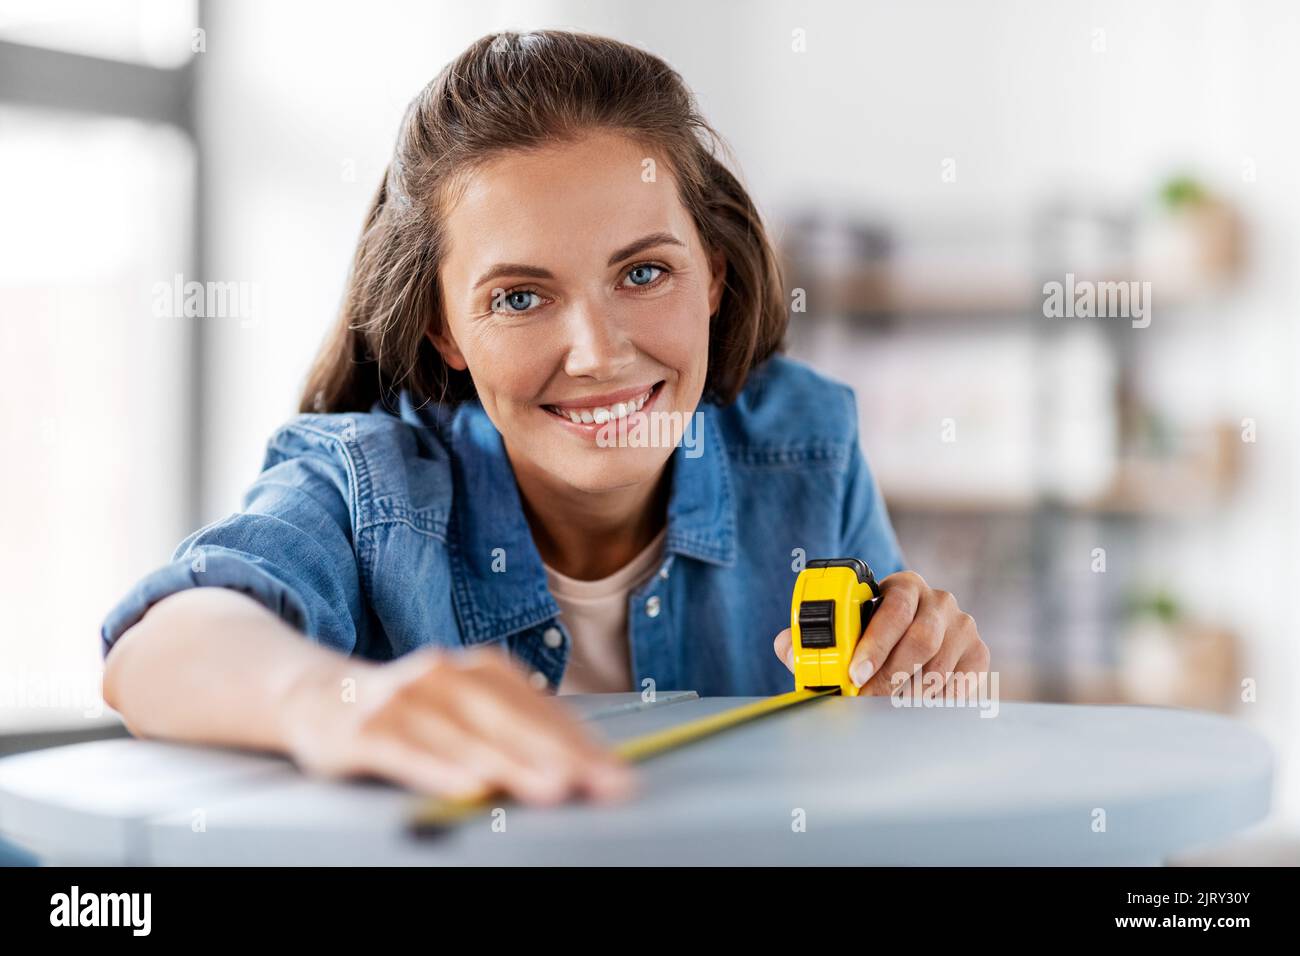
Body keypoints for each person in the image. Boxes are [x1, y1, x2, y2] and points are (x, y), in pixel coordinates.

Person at [101, 30, 987, 807]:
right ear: (442, 327)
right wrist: (336, 701)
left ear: (714, 275)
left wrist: (929, 684)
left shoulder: (804, 447)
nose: (598, 353)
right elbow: (157, 651)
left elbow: (886, 753)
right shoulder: (369, 484)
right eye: (521, 296)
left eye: (644, 273)